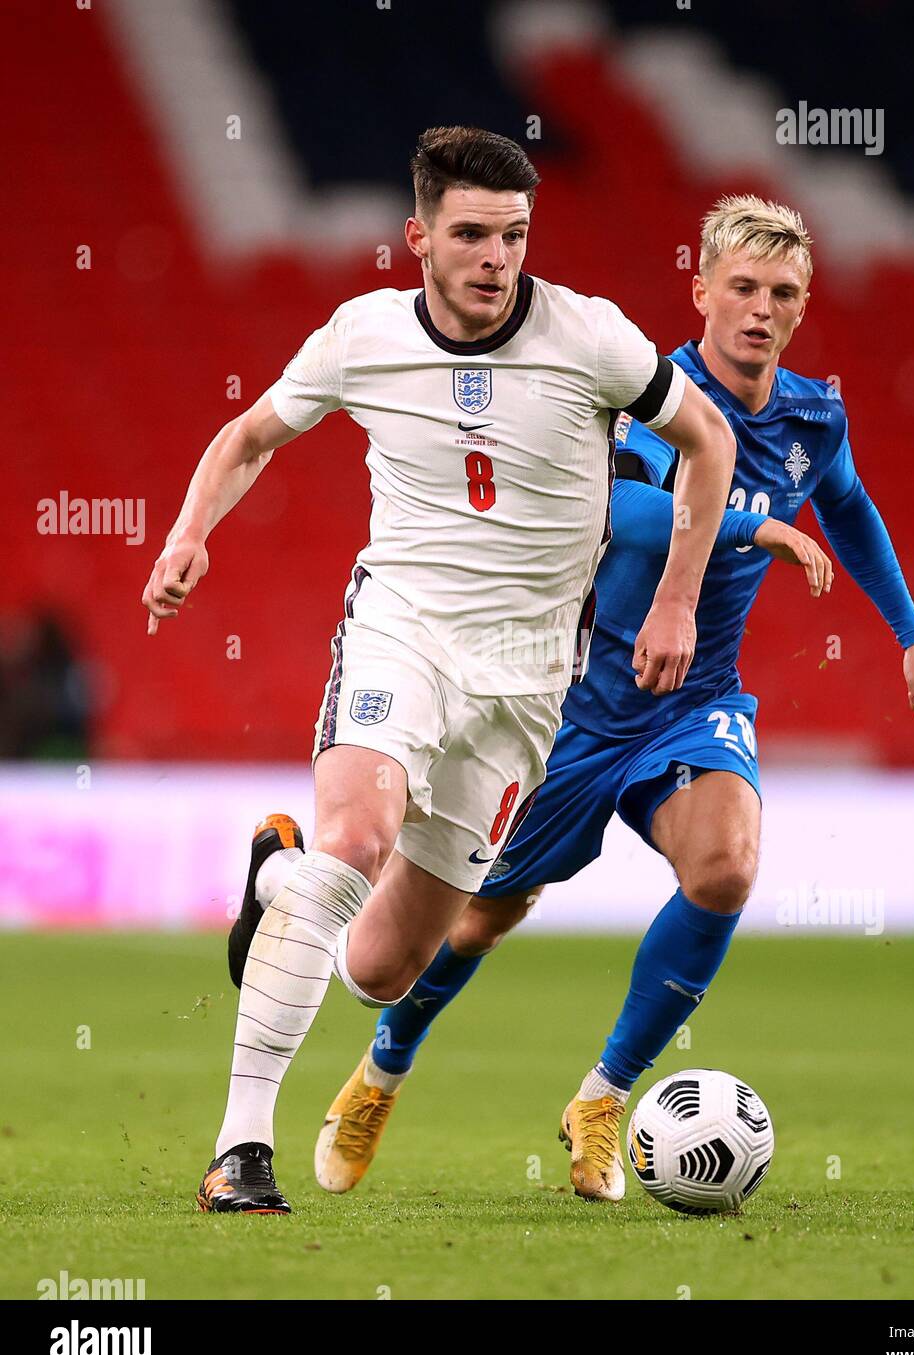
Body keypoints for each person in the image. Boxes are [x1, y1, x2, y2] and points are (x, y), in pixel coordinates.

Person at [245, 193, 914, 1205]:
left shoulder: (812, 415)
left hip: (690, 700)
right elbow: (612, 506)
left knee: (727, 867)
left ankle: (603, 1096)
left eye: (782, 293)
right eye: (742, 288)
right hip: (568, 698)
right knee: (480, 918)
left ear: (803, 305)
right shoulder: (644, 392)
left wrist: (913, 635)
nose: (760, 309)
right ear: (700, 289)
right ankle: (382, 1070)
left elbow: (849, 504)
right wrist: (755, 531)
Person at [141, 127, 735, 1213]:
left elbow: (709, 440)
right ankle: (241, 1150)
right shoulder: (362, 335)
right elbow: (247, 436)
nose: (495, 255)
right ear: (418, 237)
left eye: (513, 234)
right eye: (470, 233)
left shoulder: (593, 338)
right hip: (401, 632)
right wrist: (189, 535)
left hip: (524, 685)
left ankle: (274, 875)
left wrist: (678, 594)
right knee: (357, 837)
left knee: (380, 968)